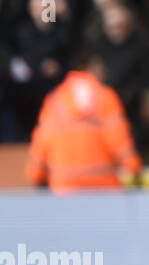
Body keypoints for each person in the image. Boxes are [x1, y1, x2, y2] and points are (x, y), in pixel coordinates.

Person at [27, 52, 142, 193]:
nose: (104, 70)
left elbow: (42, 139)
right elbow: (118, 138)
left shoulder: (56, 99)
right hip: (104, 187)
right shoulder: (105, 97)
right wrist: (133, 167)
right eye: (100, 66)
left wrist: (35, 174)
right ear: (88, 67)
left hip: (64, 187)